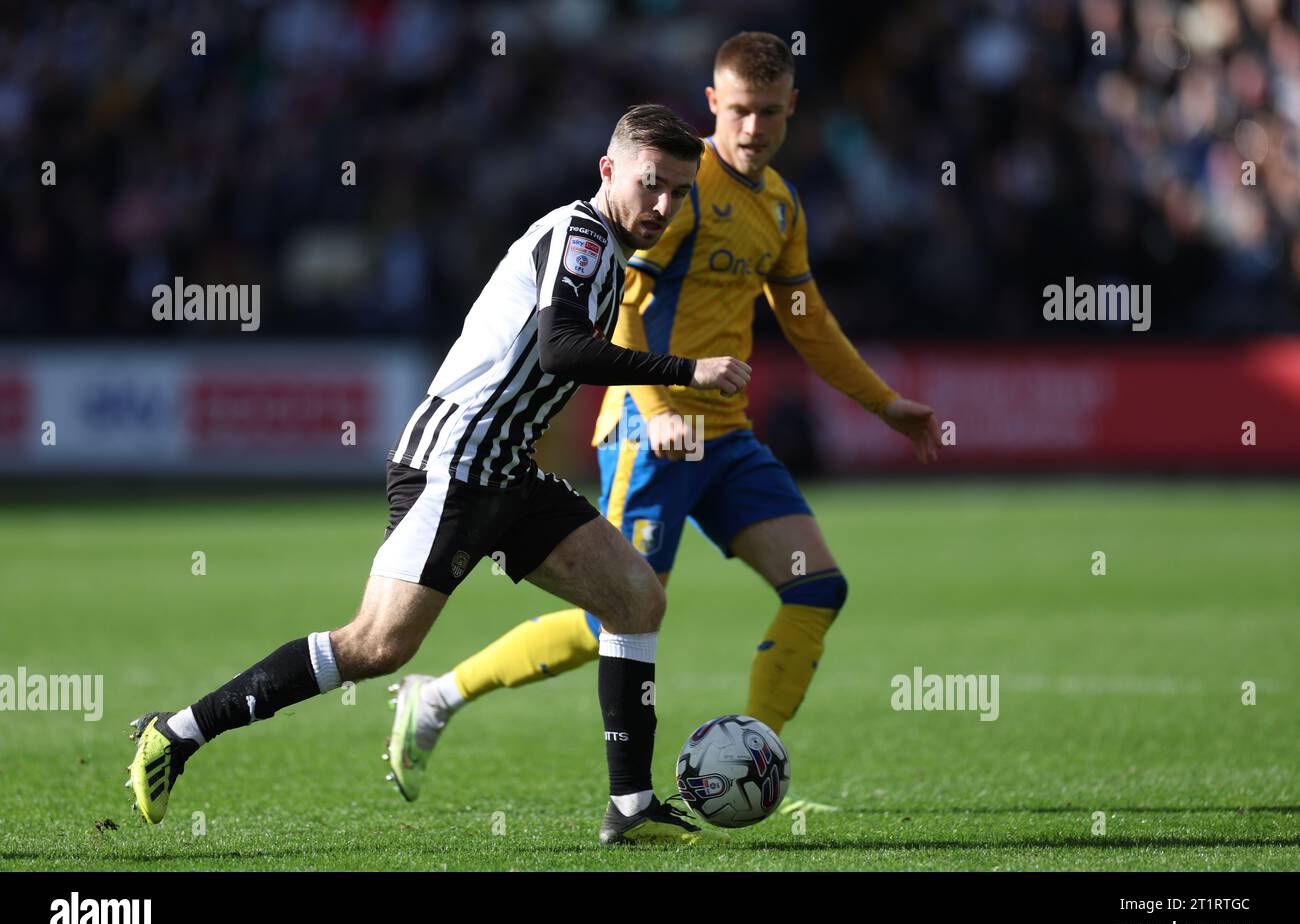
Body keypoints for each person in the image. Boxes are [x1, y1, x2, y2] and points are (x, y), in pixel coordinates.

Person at [126, 104, 751, 845]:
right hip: (454, 460)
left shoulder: (612, 251)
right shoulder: (581, 235)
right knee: (376, 646)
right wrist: (687, 372)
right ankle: (177, 733)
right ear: (608, 169)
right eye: (653, 184)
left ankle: (632, 806)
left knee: (637, 599)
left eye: (679, 192)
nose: (664, 205)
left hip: (505, 467)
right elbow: (561, 351)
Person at [390, 33, 942, 815]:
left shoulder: (781, 205)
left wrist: (885, 402)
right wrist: (655, 413)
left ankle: (756, 762)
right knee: (609, 619)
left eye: (770, 113)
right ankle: (437, 697)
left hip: (728, 437)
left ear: (792, 110)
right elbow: (623, 308)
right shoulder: (679, 191)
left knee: (818, 585)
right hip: (651, 438)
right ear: (714, 104)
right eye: (740, 111)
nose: (753, 129)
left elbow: (806, 319)